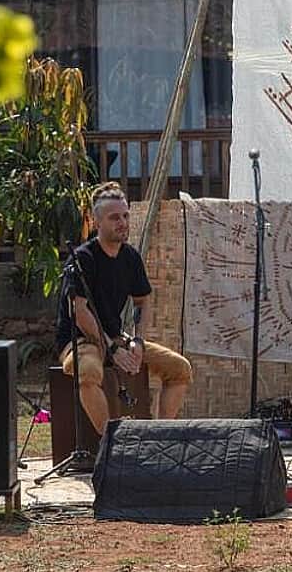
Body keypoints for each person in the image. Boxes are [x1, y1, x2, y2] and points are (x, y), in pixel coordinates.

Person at [55, 182, 193, 435]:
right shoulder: (84, 257)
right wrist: (110, 347)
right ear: (97, 222)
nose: (123, 222)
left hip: (116, 338)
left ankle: (160, 436)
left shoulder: (130, 256)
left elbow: (143, 300)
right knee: (88, 372)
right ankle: (111, 442)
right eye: (114, 217)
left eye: (126, 216)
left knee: (179, 369)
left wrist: (137, 341)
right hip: (80, 340)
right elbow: (79, 311)